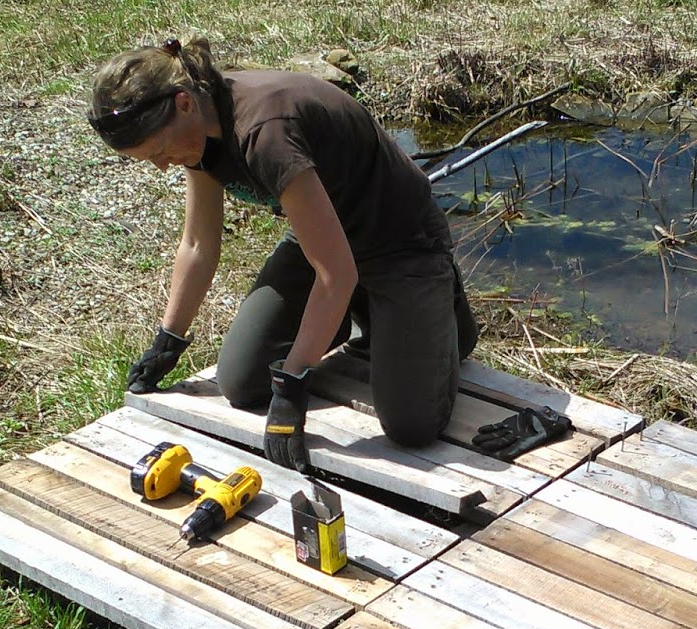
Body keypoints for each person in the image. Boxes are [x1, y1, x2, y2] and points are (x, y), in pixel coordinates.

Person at [88, 37, 478, 473]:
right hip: (324, 239)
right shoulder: (197, 130)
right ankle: (362, 314)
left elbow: (335, 275)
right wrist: (168, 340)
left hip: (401, 243)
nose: (162, 165)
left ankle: (445, 312)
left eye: (159, 153)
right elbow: (199, 244)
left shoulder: (265, 131)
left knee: (411, 425)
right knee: (240, 382)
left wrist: (292, 386)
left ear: (183, 103)